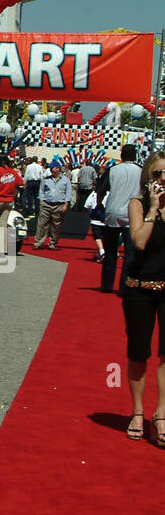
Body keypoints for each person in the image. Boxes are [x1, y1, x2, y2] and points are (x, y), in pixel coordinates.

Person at [122, 151, 165, 443]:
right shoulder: (138, 204)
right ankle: (138, 410)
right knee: (140, 351)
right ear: (147, 178)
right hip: (140, 288)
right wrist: (153, 208)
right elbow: (139, 241)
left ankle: (161, 414)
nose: (162, 179)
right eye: (157, 174)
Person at [101, 145, 143, 293]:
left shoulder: (112, 170)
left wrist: (100, 205)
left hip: (113, 211)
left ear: (122, 155)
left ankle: (106, 285)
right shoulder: (140, 171)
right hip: (132, 213)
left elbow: (101, 190)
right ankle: (124, 287)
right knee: (130, 253)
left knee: (110, 251)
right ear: (135, 156)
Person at [32, 160, 72, 250]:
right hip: (46, 204)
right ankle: (38, 242)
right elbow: (41, 191)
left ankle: (52, 242)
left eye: (52, 168)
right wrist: (41, 201)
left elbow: (68, 194)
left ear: (58, 169)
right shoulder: (46, 179)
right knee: (42, 224)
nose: (50, 170)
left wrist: (66, 205)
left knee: (56, 226)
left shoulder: (65, 180)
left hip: (59, 204)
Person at [0, 155, 22, 230]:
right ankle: (2, 241)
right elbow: (21, 183)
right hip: (9, 201)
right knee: (3, 223)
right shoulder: (12, 171)